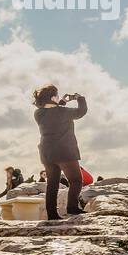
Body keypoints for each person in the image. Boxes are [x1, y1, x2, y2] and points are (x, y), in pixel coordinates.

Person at [33, 84, 87, 221]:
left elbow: (54, 111)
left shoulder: (38, 114)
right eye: (56, 95)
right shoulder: (63, 112)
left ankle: (52, 215)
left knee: (52, 184)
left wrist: (62, 101)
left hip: (47, 153)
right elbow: (81, 111)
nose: (58, 97)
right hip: (65, 152)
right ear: (52, 97)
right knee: (75, 180)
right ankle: (72, 208)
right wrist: (79, 97)